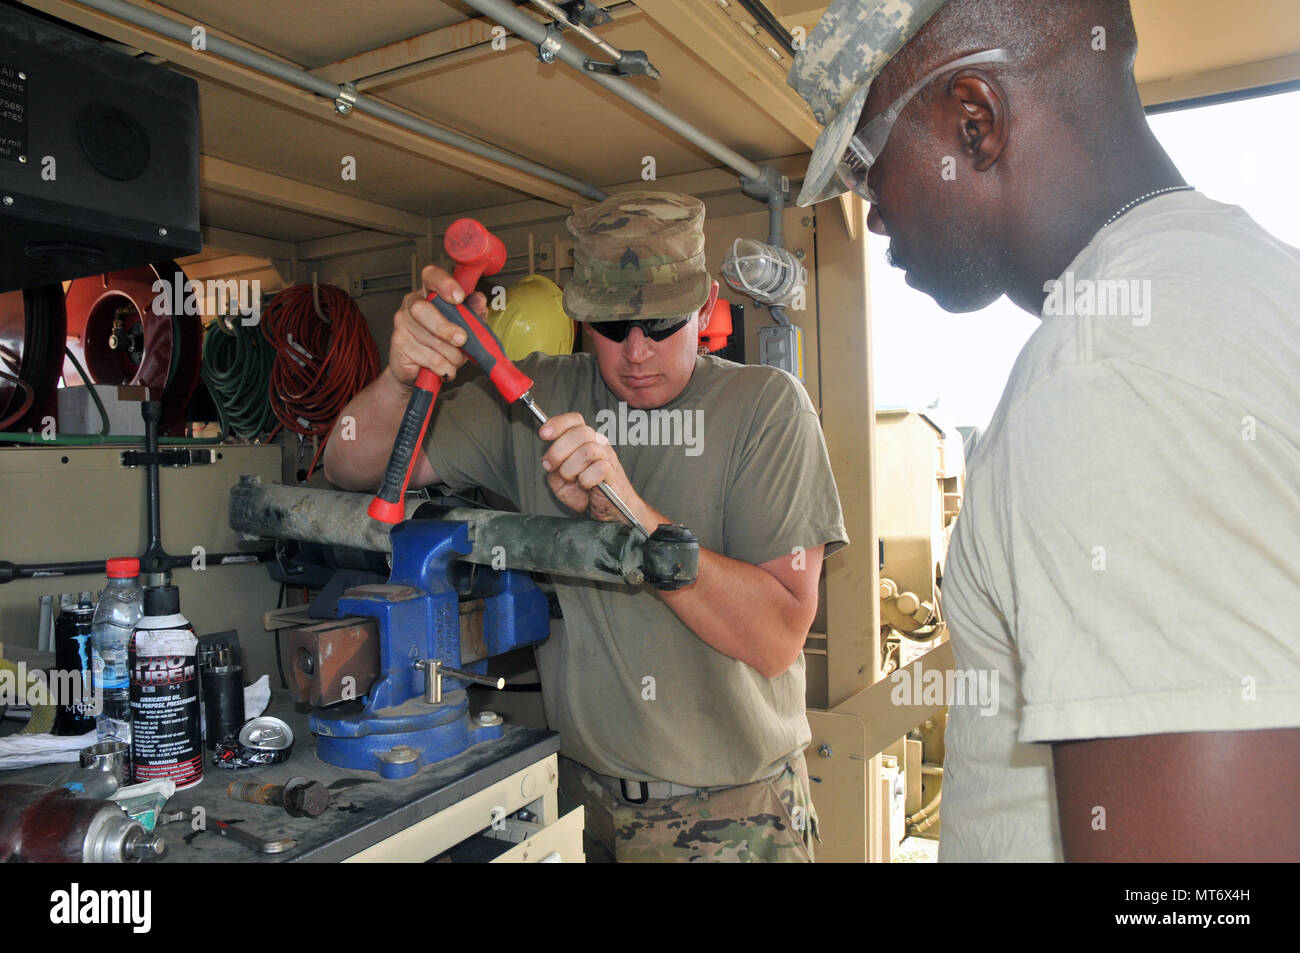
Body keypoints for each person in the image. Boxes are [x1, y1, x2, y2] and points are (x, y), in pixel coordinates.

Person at [790, 0, 1299, 861]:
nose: (872, 217)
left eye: (869, 168)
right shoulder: (1237, 283)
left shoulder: (1106, 380)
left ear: (975, 121)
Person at [324, 190, 848, 862]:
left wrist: (629, 513)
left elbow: (777, 635)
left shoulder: (767, 410)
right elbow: (349, 463)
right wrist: (401, 377)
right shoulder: (527, 396)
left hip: (733, 816)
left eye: (660, 323)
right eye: (610, 325)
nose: (635, 351)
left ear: (705, 303)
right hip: (577, 803)